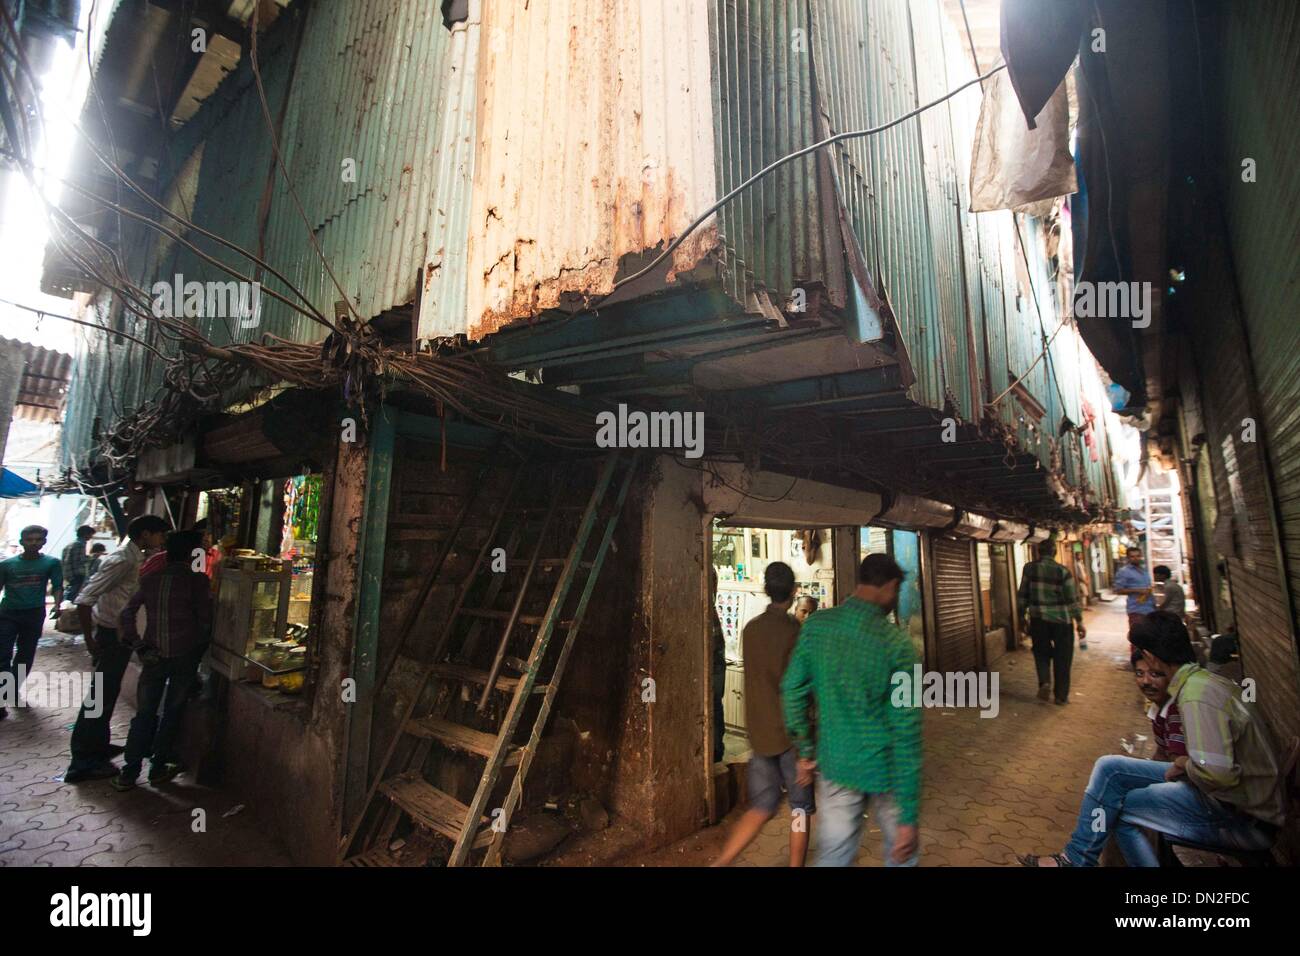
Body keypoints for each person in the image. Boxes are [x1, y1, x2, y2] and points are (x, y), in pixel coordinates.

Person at [1017, 612, 1284, 867]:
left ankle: (1081, 860)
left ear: (1151, 656)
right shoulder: (1201, 682)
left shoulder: (1196, 697)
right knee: (1109, 768)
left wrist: (1183, 763)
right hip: (1236, 803)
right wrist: (1184, 764)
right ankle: (1076, 858)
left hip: (1242, 819)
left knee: (1120, 809)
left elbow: (1217, 775)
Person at [781, 553, 921, 867]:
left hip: (836, 764)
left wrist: (805, 751)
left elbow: (791, 690)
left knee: (834, 855)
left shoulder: (817, 627)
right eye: (897, 591)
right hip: (886, 770)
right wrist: (909, 816)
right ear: (890, 587)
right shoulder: (898, 646)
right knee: (902, 855)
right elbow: (907, 732)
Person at [713, 562, 812, 866]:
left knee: (760, 808)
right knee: (800, 809)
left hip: (760, 736)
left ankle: (721, 862)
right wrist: (806, 748)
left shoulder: (751, 629)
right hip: (790, 737)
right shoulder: (794, 632)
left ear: (766, 589)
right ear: (793, 592)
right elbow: (797, 690)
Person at [64, 514, 169, 782]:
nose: (161, 540)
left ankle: (97, 746)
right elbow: (85, 599)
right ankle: (83, 761)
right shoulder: (123, 560)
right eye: (159, 534)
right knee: (100, 695)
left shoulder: (135, 557)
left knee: (106, 693)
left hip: (118, 635)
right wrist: (90, 641)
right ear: (145, 534)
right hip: (110, 635)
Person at [112, 530, 212, 790]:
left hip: (153, 656)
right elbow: (205, 622)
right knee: (172, 713)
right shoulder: (197, 581)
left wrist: (138, 645)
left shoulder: (151, 579)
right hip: (183, 657)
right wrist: (197, 654)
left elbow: (126, 614)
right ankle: (157, 768)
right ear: (193, 553)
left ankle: (129, 772)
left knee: (144, 714)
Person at [0, 525, 63, 719]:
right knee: (2, 655)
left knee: (25, 655)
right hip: (8, 613)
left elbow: (57, 586)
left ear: (44, 541)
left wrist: (57, 605)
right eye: (29, 539)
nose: (34, 543)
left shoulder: (51, 563)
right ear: (22, 542)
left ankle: (11, 691)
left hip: (34, 614)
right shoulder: (7, 565)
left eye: (38, 539)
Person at [1017, 539, 1086, 705]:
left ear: (1038, 552)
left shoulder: (1029, 569)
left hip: (1038, 619)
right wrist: (1079, 621)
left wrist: (1021, 616)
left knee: (1041, 652)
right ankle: (1061, 696)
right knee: (1063, 657)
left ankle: (1044, 682)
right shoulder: (1063, 571)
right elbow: (1071, 599)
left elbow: (1022, 595)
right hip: (1062, 620)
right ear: (1054, 552)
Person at [1113, 546, 1156, 630]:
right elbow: (1118, 590)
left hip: (1150, 607)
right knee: (1138, 634)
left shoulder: (1144, 570)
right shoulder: (1124, 572)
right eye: (1132, 556)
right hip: (1136, 609)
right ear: (1128, 558)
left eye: (1138, 556)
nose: (1136, 558)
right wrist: (1138, 590)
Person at [709, 566, 726, 764]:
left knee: (713, 705)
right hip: (716, 659)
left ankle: (715, 751)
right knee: (714, 705)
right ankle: (716, 750)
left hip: (714, 661)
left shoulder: (707, 612)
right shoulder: (709, 612)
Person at [61, 525, 96, 603]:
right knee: (72, 594)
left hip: (68, 573)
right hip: (76, 574)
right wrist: (92, 558)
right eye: (90, 534)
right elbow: (79, 560)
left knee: (69, 592)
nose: (91, 537)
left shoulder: (70, 544)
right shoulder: (79, 545)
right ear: (85, 534)